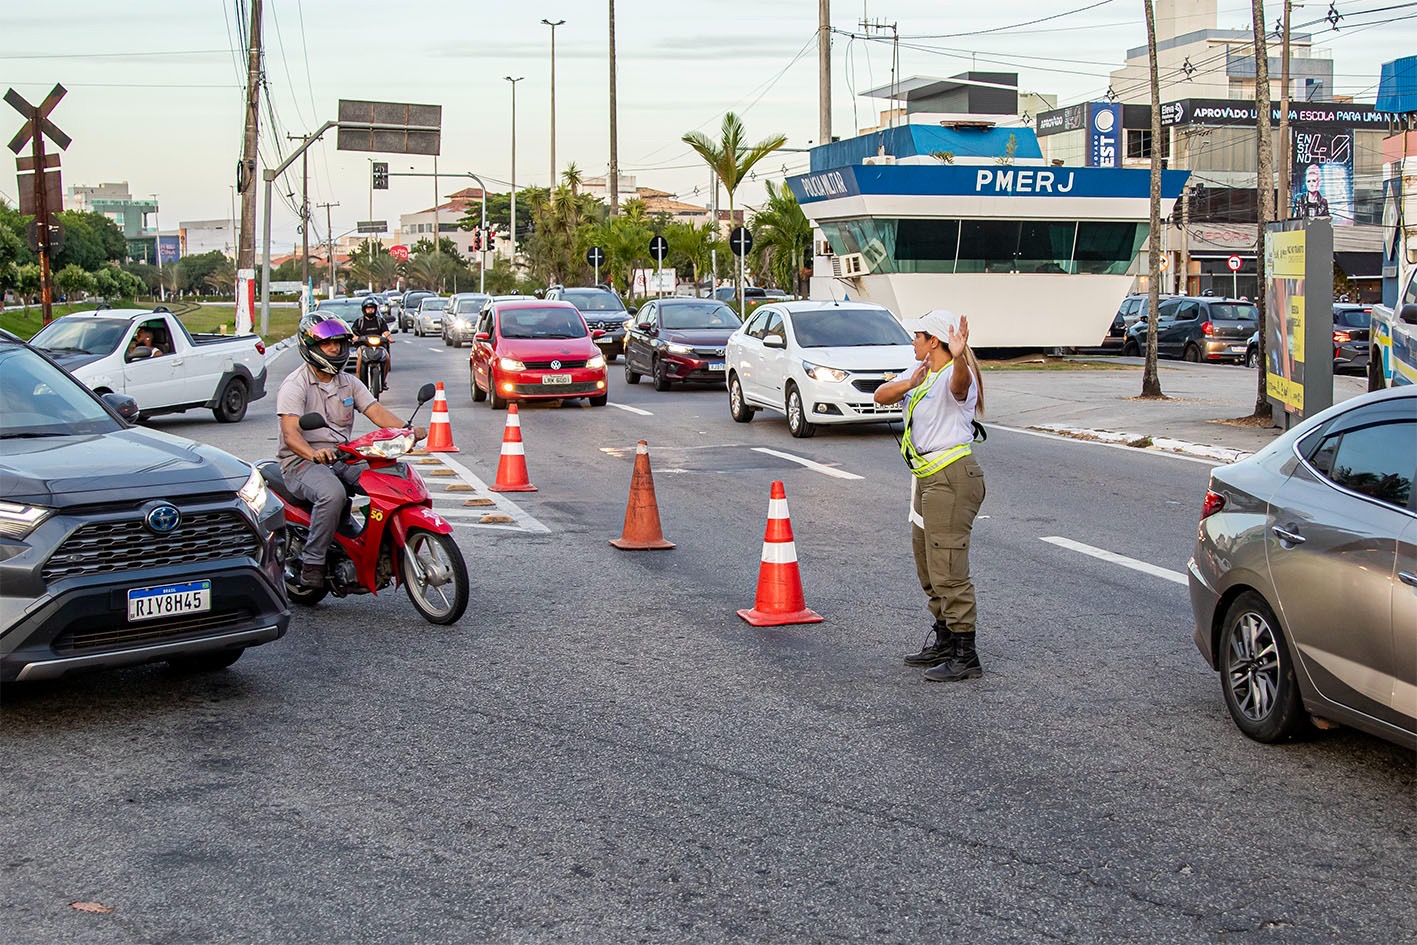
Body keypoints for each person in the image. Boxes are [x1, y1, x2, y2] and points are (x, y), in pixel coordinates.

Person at [873, 309, 987, 682]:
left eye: (916, 336)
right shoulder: (919, 373)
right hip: (925, 478)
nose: (912, 342)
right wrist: (908, 384)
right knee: (927, 563)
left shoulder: (954, 377)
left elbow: (960, 385)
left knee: (948, 566)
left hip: (950, 477)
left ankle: (965, 652)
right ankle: (944, 638)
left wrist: (957, 357)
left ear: (932, 341)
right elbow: (880, 395)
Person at [276, 316, 426, 587]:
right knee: (332, 494)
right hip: (301, 462)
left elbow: (375, 411)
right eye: (327, 344)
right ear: (311, 347)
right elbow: (290, 434)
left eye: (339, 343)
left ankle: (377, 546)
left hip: (343, 456)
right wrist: (313, 454)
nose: (335, 349)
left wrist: (407, 429)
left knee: (390, 478)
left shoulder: (349, 382)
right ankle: (312, 563)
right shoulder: (295, 384)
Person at [352, 297, 392, 389]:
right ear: (364, 309)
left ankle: (384, 381)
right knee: (360, 357)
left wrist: (389, 338)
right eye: (368, 308)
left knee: (387, 358)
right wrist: (355, 338)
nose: (370, 310)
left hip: (378, 345)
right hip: (363, 345)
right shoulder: (359, 321)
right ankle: (359, 381)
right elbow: (353, 333)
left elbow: (386, 332)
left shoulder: (380, 321)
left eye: (372, 308)